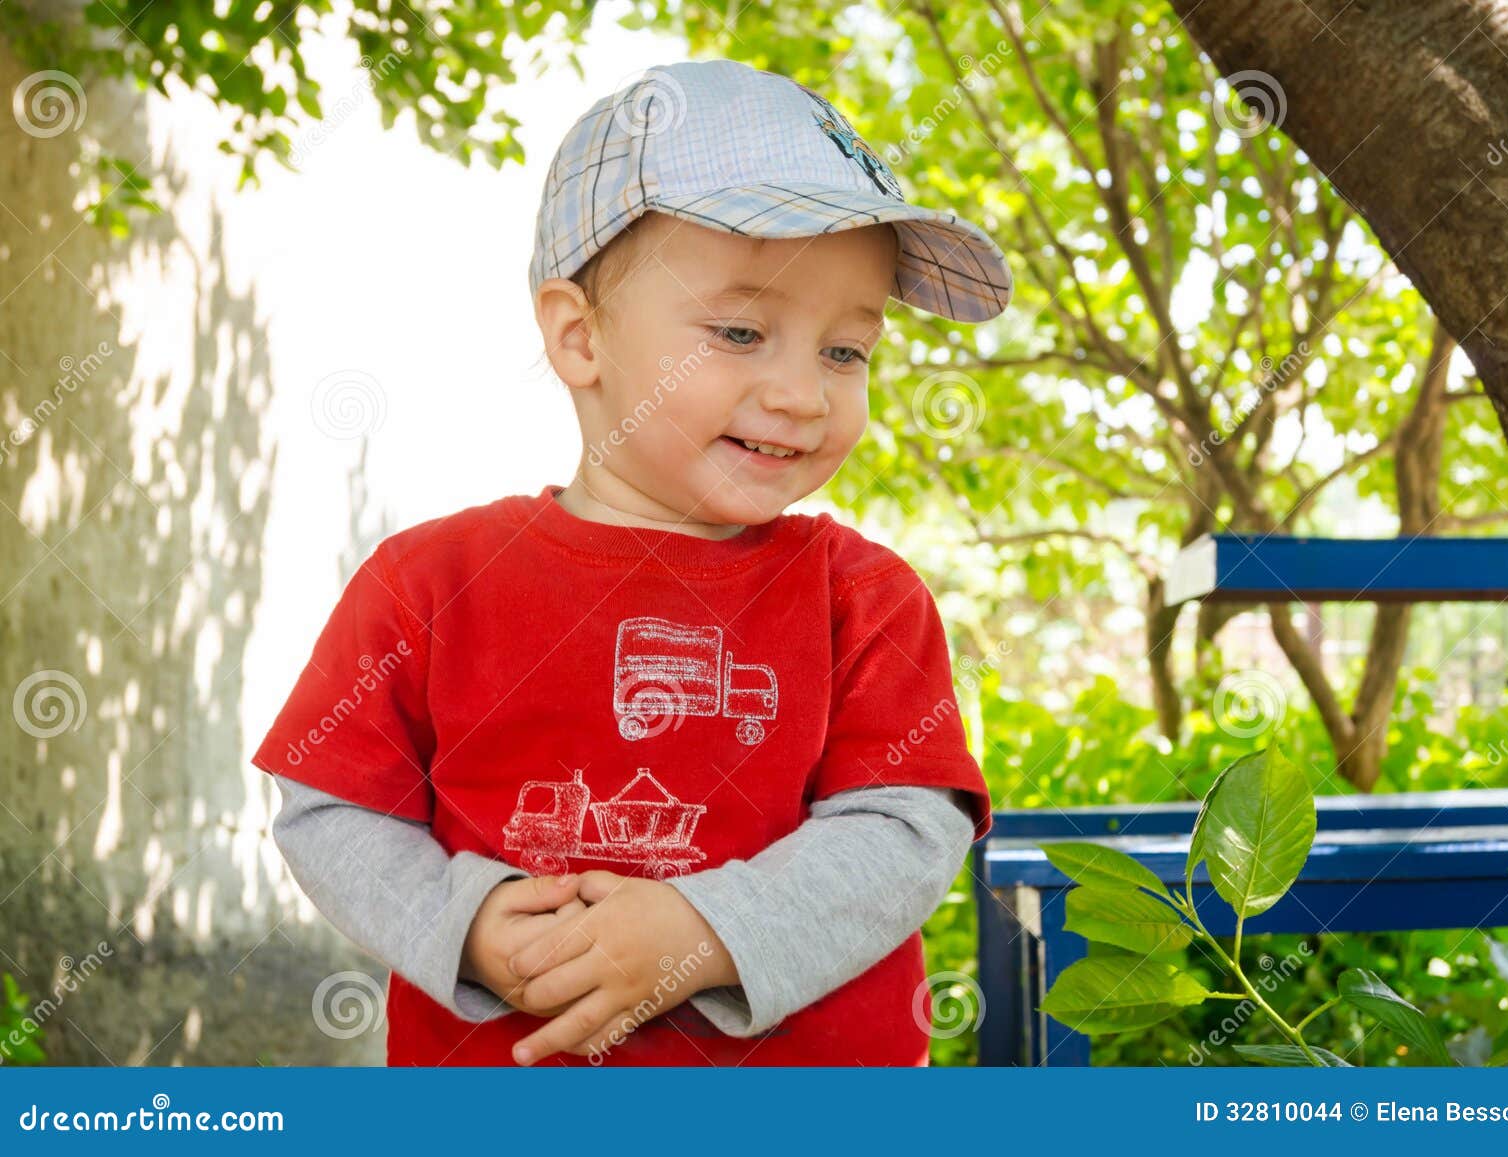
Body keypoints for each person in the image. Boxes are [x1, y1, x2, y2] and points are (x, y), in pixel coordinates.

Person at [251, 57, 1012, 1067]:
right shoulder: (429, 583)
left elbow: (906, 826)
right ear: (579, 336)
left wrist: (707, 930)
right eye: (742, 331)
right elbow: (333, 804)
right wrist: (465, 923)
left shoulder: (862, 597)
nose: (802, 392)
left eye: (846, 350)